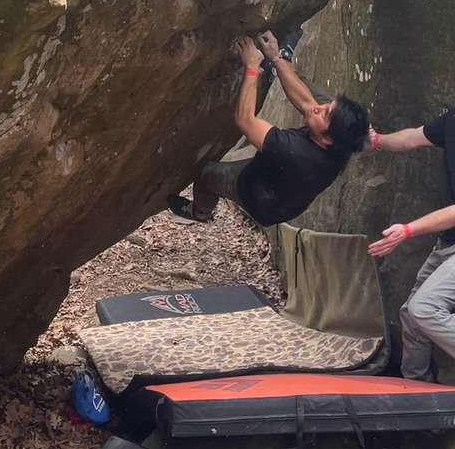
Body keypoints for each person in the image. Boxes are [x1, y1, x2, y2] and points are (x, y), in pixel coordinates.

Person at [168, 31, 369, 227]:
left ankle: (200, 213)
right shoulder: (339, 139)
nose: (319, 107)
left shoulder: (295, 152)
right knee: (306, 108)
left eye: (325, 114)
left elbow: (245, 120)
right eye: (328, 106)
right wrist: (275, 57)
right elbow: (306, 102)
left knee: (207, 174)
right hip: (279, 179)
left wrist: (252, 67)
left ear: (327, 140)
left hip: (260, 198)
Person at [368, 108, 455, 381]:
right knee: (410, 316)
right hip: (447, 242)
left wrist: (407, 230)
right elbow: (412, 138)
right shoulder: (451, 121)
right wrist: (377, 140)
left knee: (424, 309)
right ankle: (416, 390)